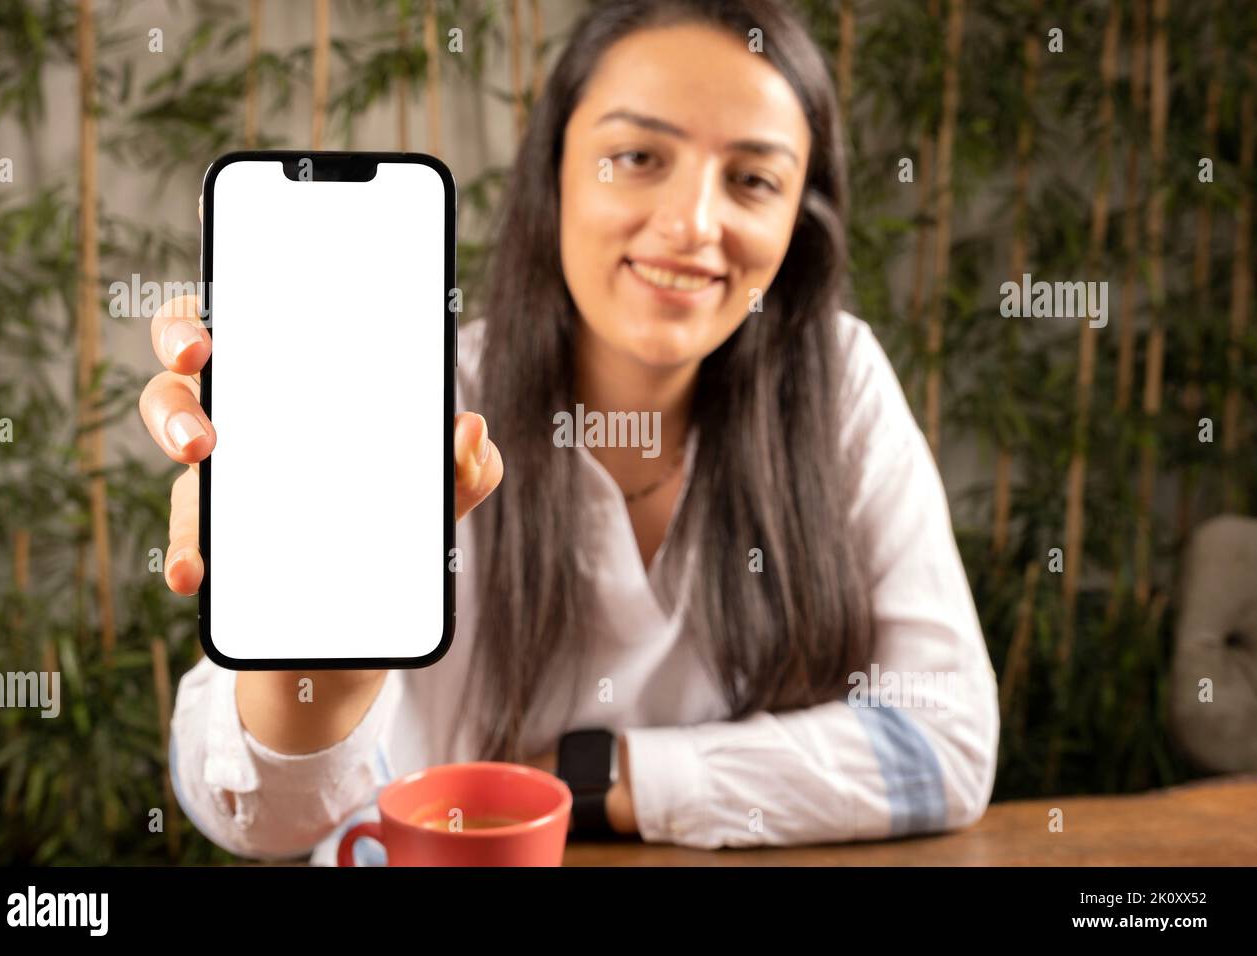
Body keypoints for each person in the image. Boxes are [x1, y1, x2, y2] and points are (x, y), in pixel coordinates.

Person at [141, 0, 998, 863]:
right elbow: (251, 814)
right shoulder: (430, 404)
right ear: (552, 174)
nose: (694, 222)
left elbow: (944, 746)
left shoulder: (837, 382)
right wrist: (323, 637)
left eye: (753, 179)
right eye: (636, 157)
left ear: (798, 225)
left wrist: (597, 775)